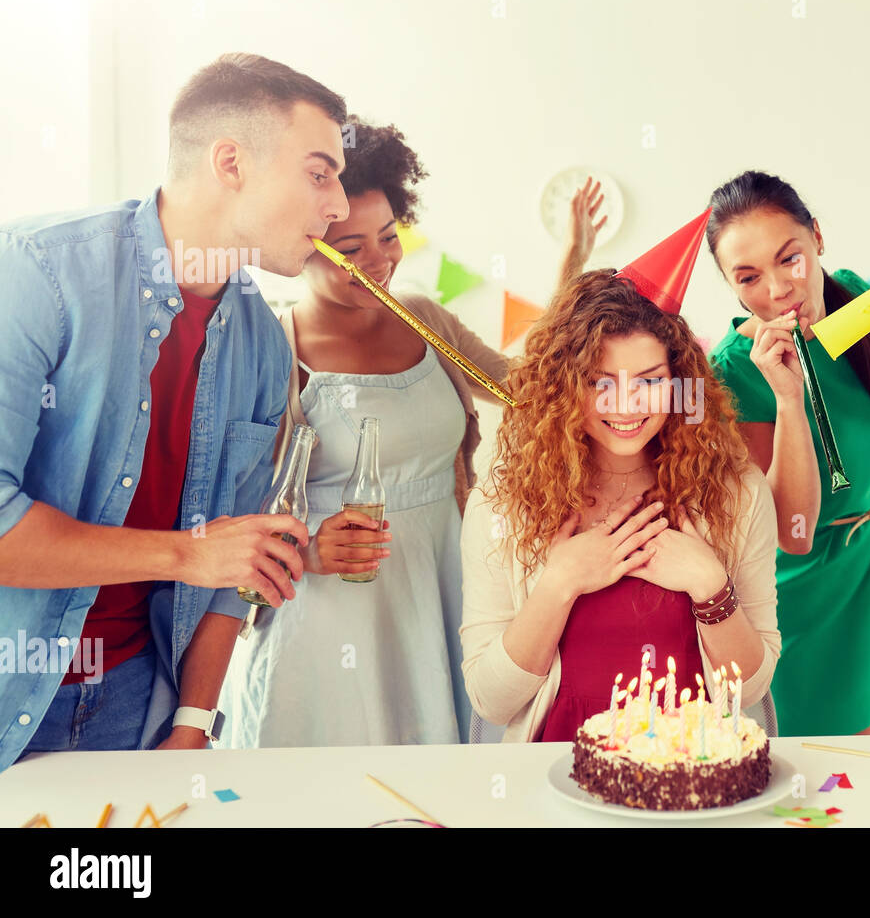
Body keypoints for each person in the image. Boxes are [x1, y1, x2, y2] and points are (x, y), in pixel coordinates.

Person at [0, 53, 351, 769]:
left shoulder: (264, 346)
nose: (339, 206)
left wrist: (193, 723)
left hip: (138, 699)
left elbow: (237, 557)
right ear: (230, 161)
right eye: (320, 173)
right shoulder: (36, 272)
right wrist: (189, 553)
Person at [220, 119, 510, 747]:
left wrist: (603, 305)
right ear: (302, 245)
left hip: (441, 592)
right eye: (351, 251)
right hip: (324, 617)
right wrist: (307, 554)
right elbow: (232, 521)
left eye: (389, 237)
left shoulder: (426, 319)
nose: (380, 263)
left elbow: (528, 390)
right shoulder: (273, 349)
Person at [459, 257, 781, 742]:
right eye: (599, 382)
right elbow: (493, 702)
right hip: (555, 767)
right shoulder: (502, 503)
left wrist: (710, 585)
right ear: (563, 384)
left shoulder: (737, 493)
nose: (627, 404)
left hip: (691, 766)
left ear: (677, 382)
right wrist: (559, 583)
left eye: (650, 380)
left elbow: (751, 689)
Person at [704, 171, 870, 736]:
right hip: (802, 591)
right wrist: (788, 399)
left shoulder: (855, 301)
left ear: (818, 238)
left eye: (790, 259)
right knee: (803, 782)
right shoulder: (734, 371)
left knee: (867, 767)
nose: (778, 290)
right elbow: (793, 529)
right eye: (749, 277)